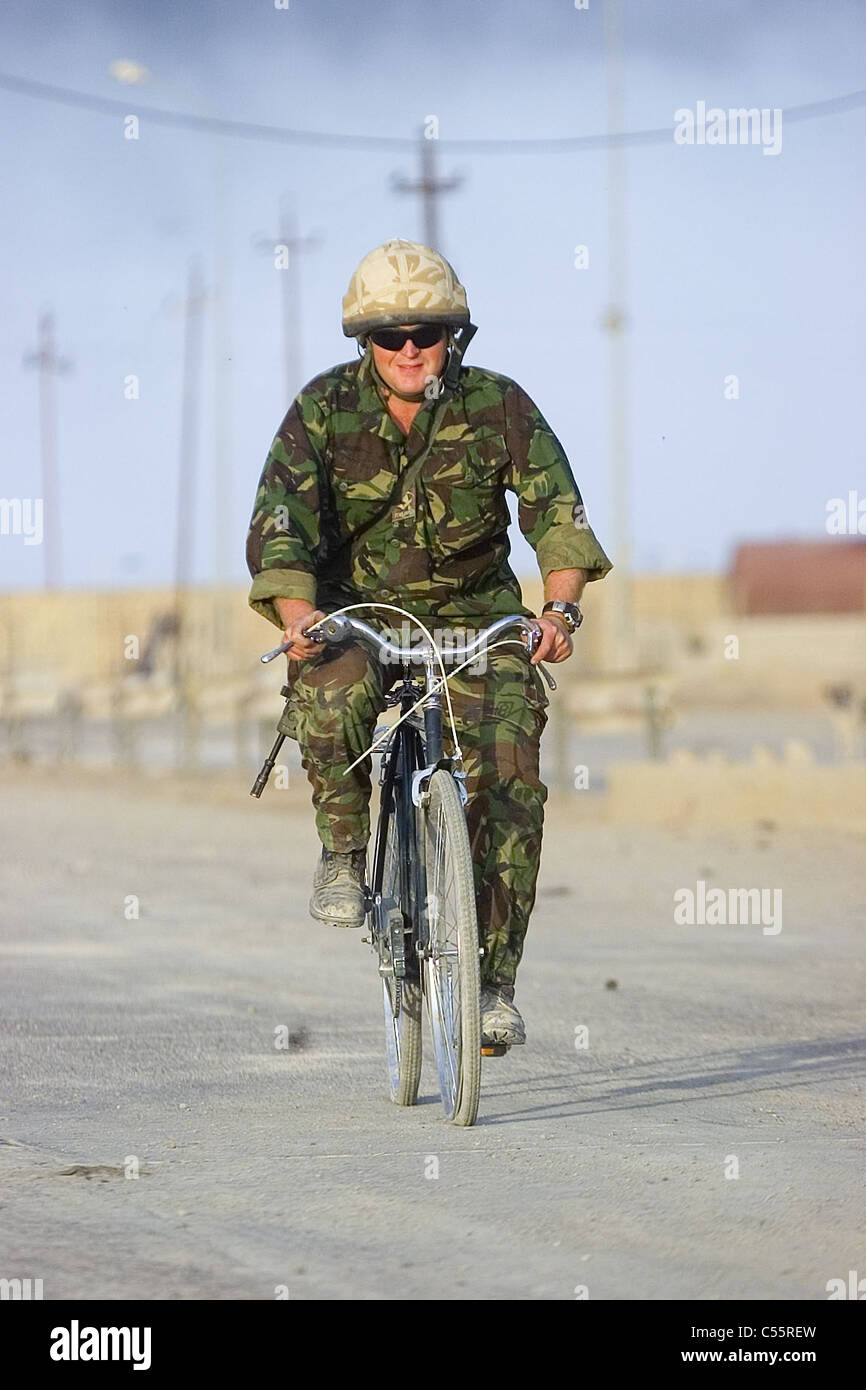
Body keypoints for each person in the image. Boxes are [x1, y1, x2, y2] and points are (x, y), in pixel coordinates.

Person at [246, 238, 612, 1045]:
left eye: (428, 331)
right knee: (332, 687)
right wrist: (300, 616)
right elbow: (283, 524)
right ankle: (343, 850)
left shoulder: (498, 405)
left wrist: (559, 611)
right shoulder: (321, 410)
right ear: (365, 343)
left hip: (478, 617)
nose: (410, 349)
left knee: (510, 774)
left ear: (457, 334)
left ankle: (492, 987)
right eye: (390, 335)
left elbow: (559, 511)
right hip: (359, 615)